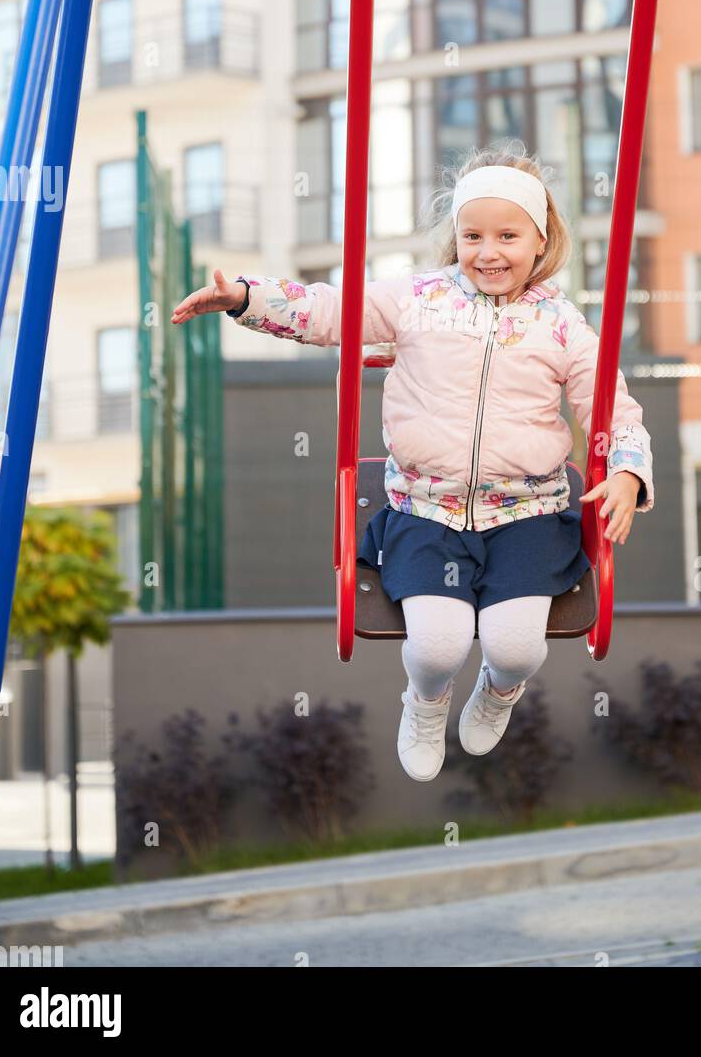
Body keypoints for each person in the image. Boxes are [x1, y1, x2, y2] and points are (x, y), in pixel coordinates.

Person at [171, 144, 654, 784]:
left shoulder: (561, 324)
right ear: (455, 237)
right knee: (435, 646)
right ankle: (425, 704)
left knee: (516, 648)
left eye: (508, 235)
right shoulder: (419, 298)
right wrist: (245, 298)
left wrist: (625, 469)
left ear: (540, 241)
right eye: (472, 234)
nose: (488, 251)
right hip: (427, 509)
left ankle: (499, 691)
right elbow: (329, 311)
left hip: (528, 511)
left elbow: (608, 402)